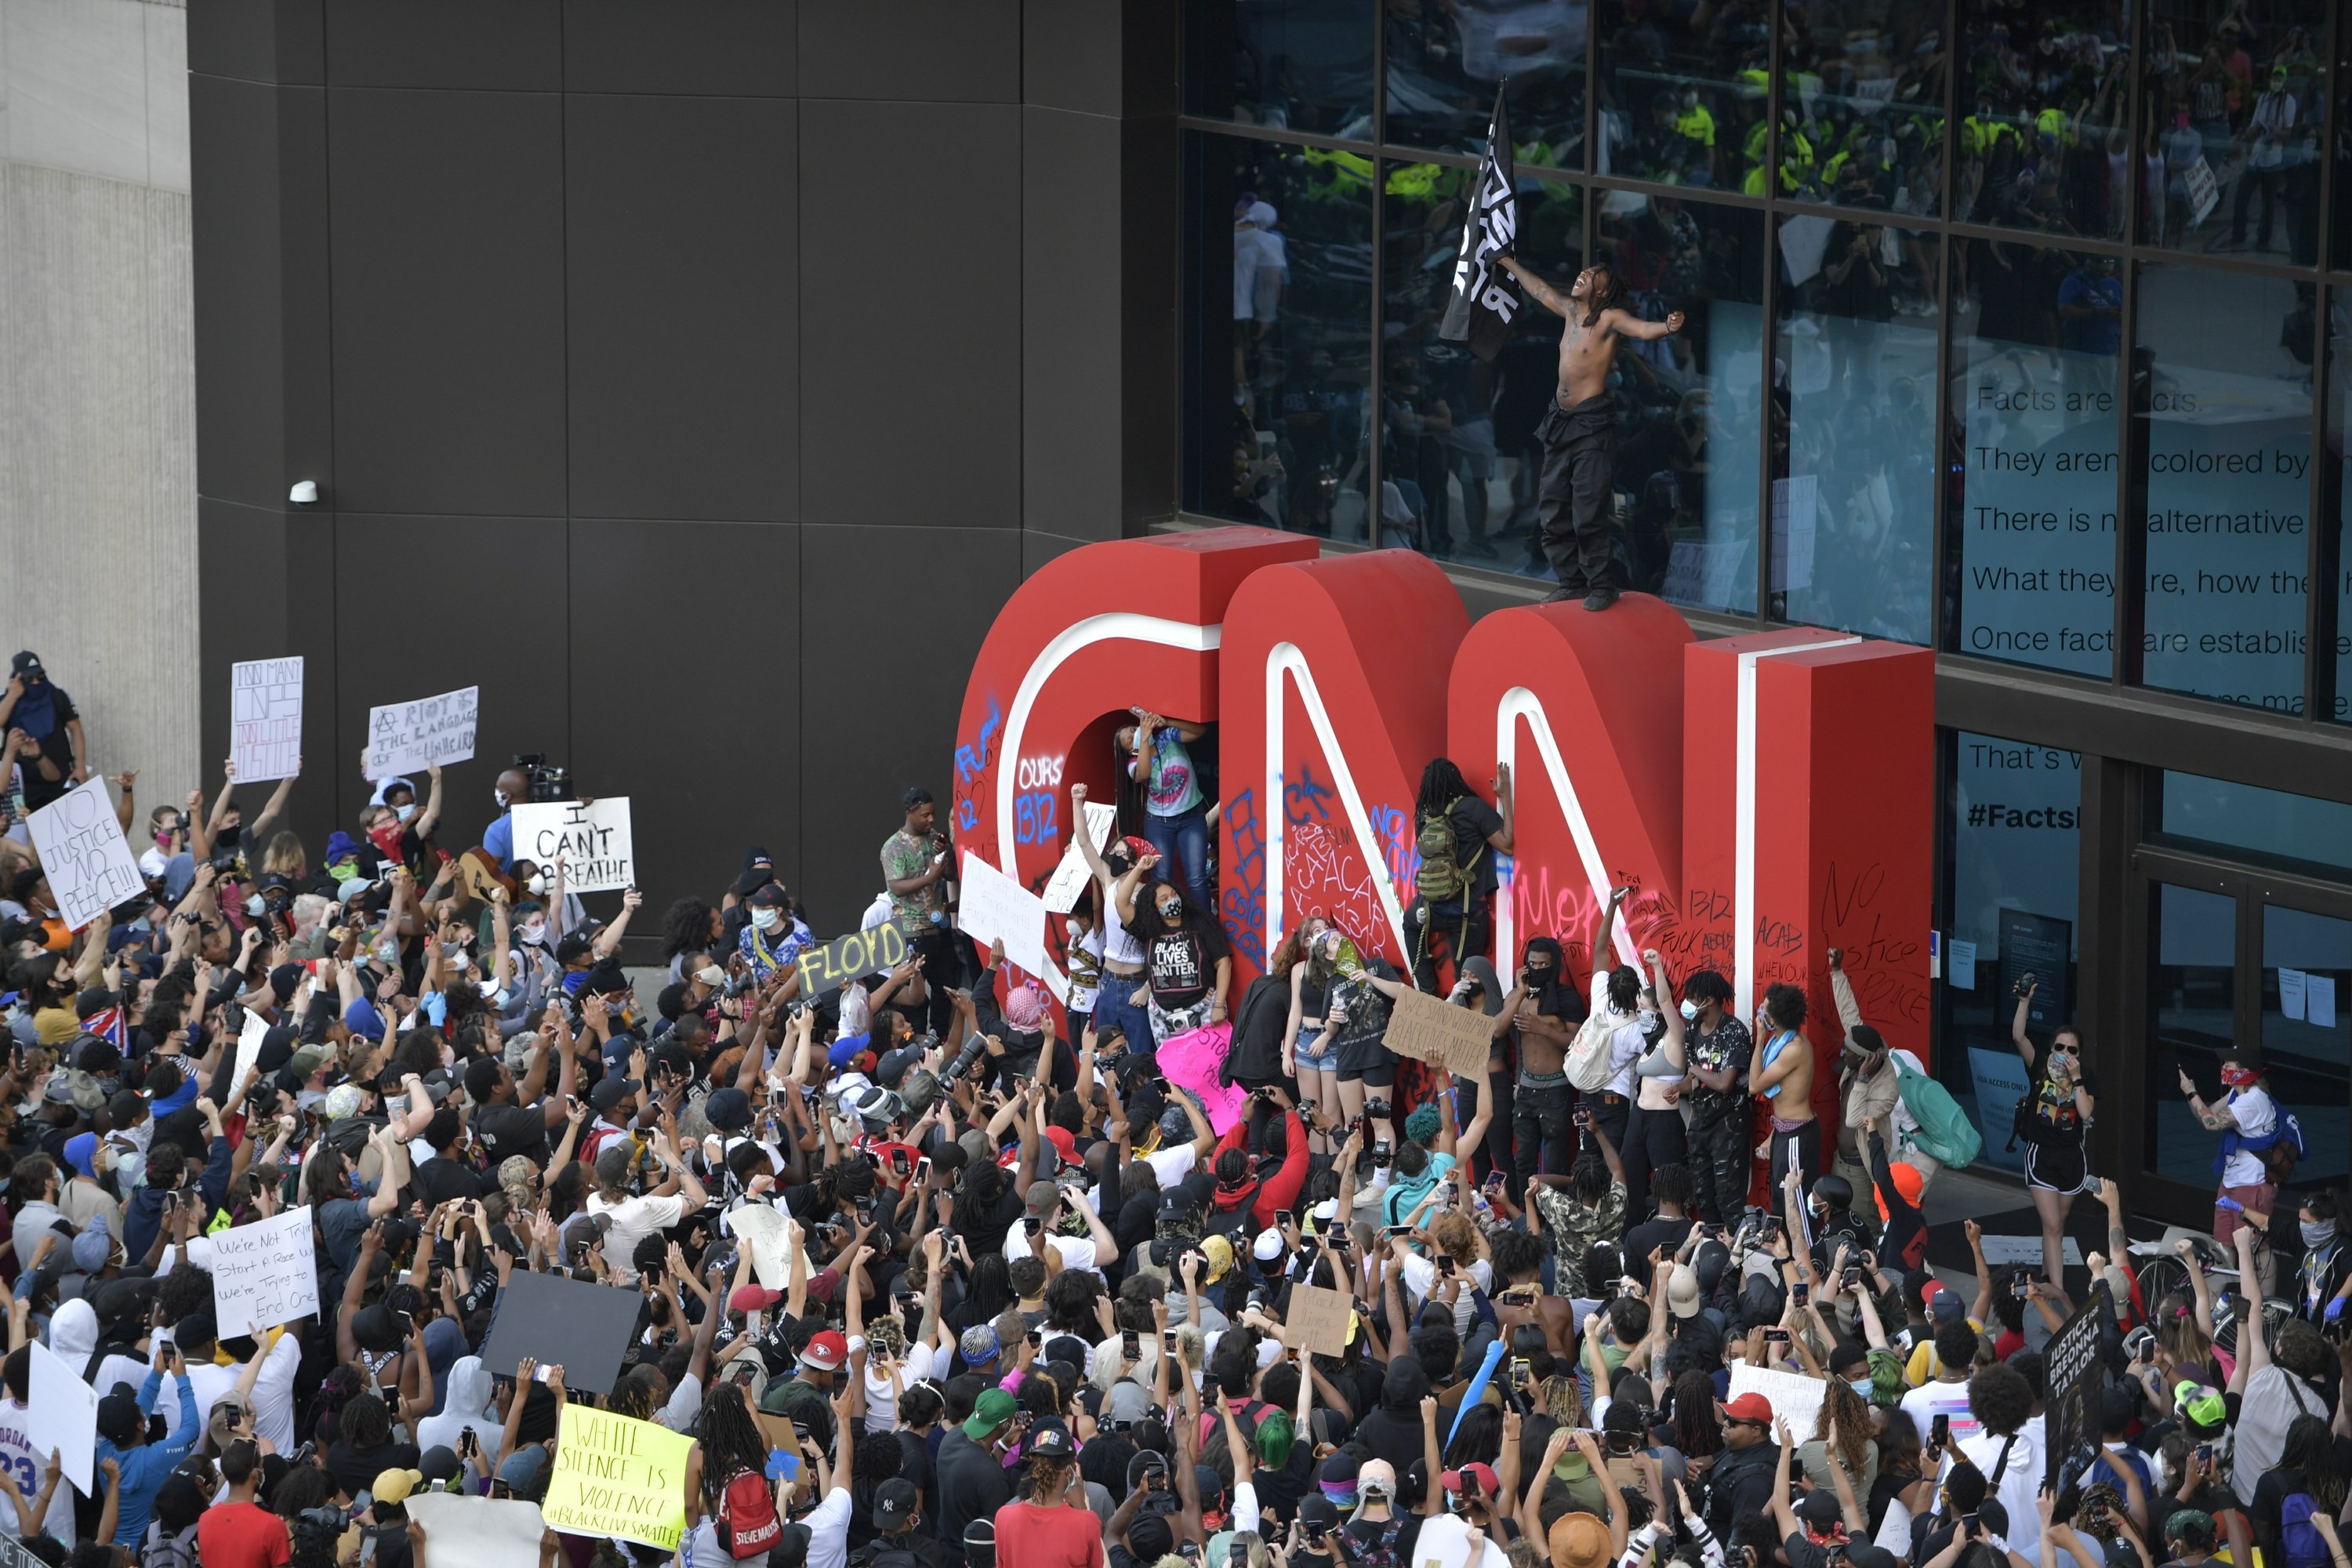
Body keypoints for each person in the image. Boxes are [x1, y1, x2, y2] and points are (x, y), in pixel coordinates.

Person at [1490, 256, 1685, 608]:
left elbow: (1641, 329)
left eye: (1593, 276)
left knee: (1587, 510)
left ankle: (1602, 585)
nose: (1584, 274)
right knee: (1552, 507)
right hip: (1559, 420)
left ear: (1604, 292)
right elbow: (1538, 289)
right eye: (1585, 271)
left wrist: (1667, 327)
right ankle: (1571, 581)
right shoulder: (1570, 311)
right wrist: (1505, 261)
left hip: (1591, 424)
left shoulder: (1609, 318)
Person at [1399, 759, 1512, 993]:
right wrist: (1505, 797)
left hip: (1430, 908)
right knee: (1466, 981)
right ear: (1456, 779)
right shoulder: (1473, 808)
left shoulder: (1424, 816)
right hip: (1468, 912)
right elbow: (1507, 845)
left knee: (1410, 924)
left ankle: (1427, 991)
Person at [2180, 1049, 2280, 1250]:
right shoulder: (2237, 1093)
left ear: (2245, 1072)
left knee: (2255, 1249)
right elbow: (2206, 1115)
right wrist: (2190, 1093)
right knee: (2223, 1244)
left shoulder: (2253, 1101)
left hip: (2252, 1185)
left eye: (2229, 1065)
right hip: (2231, 1181)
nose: (2223, 1068)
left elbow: (2211, 1123)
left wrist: (2191, 1093)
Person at [1117, 710, 1213, 919]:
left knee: (1197, 878)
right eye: (1129, 739)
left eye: (1133, 729)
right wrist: (1144, 740)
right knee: (1161, 877)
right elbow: (1144, 774)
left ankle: (1206, 927)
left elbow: (1200, 731)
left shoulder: (1168, 737)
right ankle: (1165, 925)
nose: (1134, 733)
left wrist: (1167, 721)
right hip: (1159, 823)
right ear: (1129, 750)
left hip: (1191, 817)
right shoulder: (1133, 763)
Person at [1751, 982, 1817, 1196]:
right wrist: (1773, 1136)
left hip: (1796, 1134)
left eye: (1764, 1009)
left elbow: (1754, 1085)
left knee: (1793, 1200)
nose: (1760, 1011)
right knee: (1780, 1200)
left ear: (1773, 1020)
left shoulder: (1794, 1049)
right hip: (1784, 1130)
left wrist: (1760, 1038)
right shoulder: (1782, 1042)